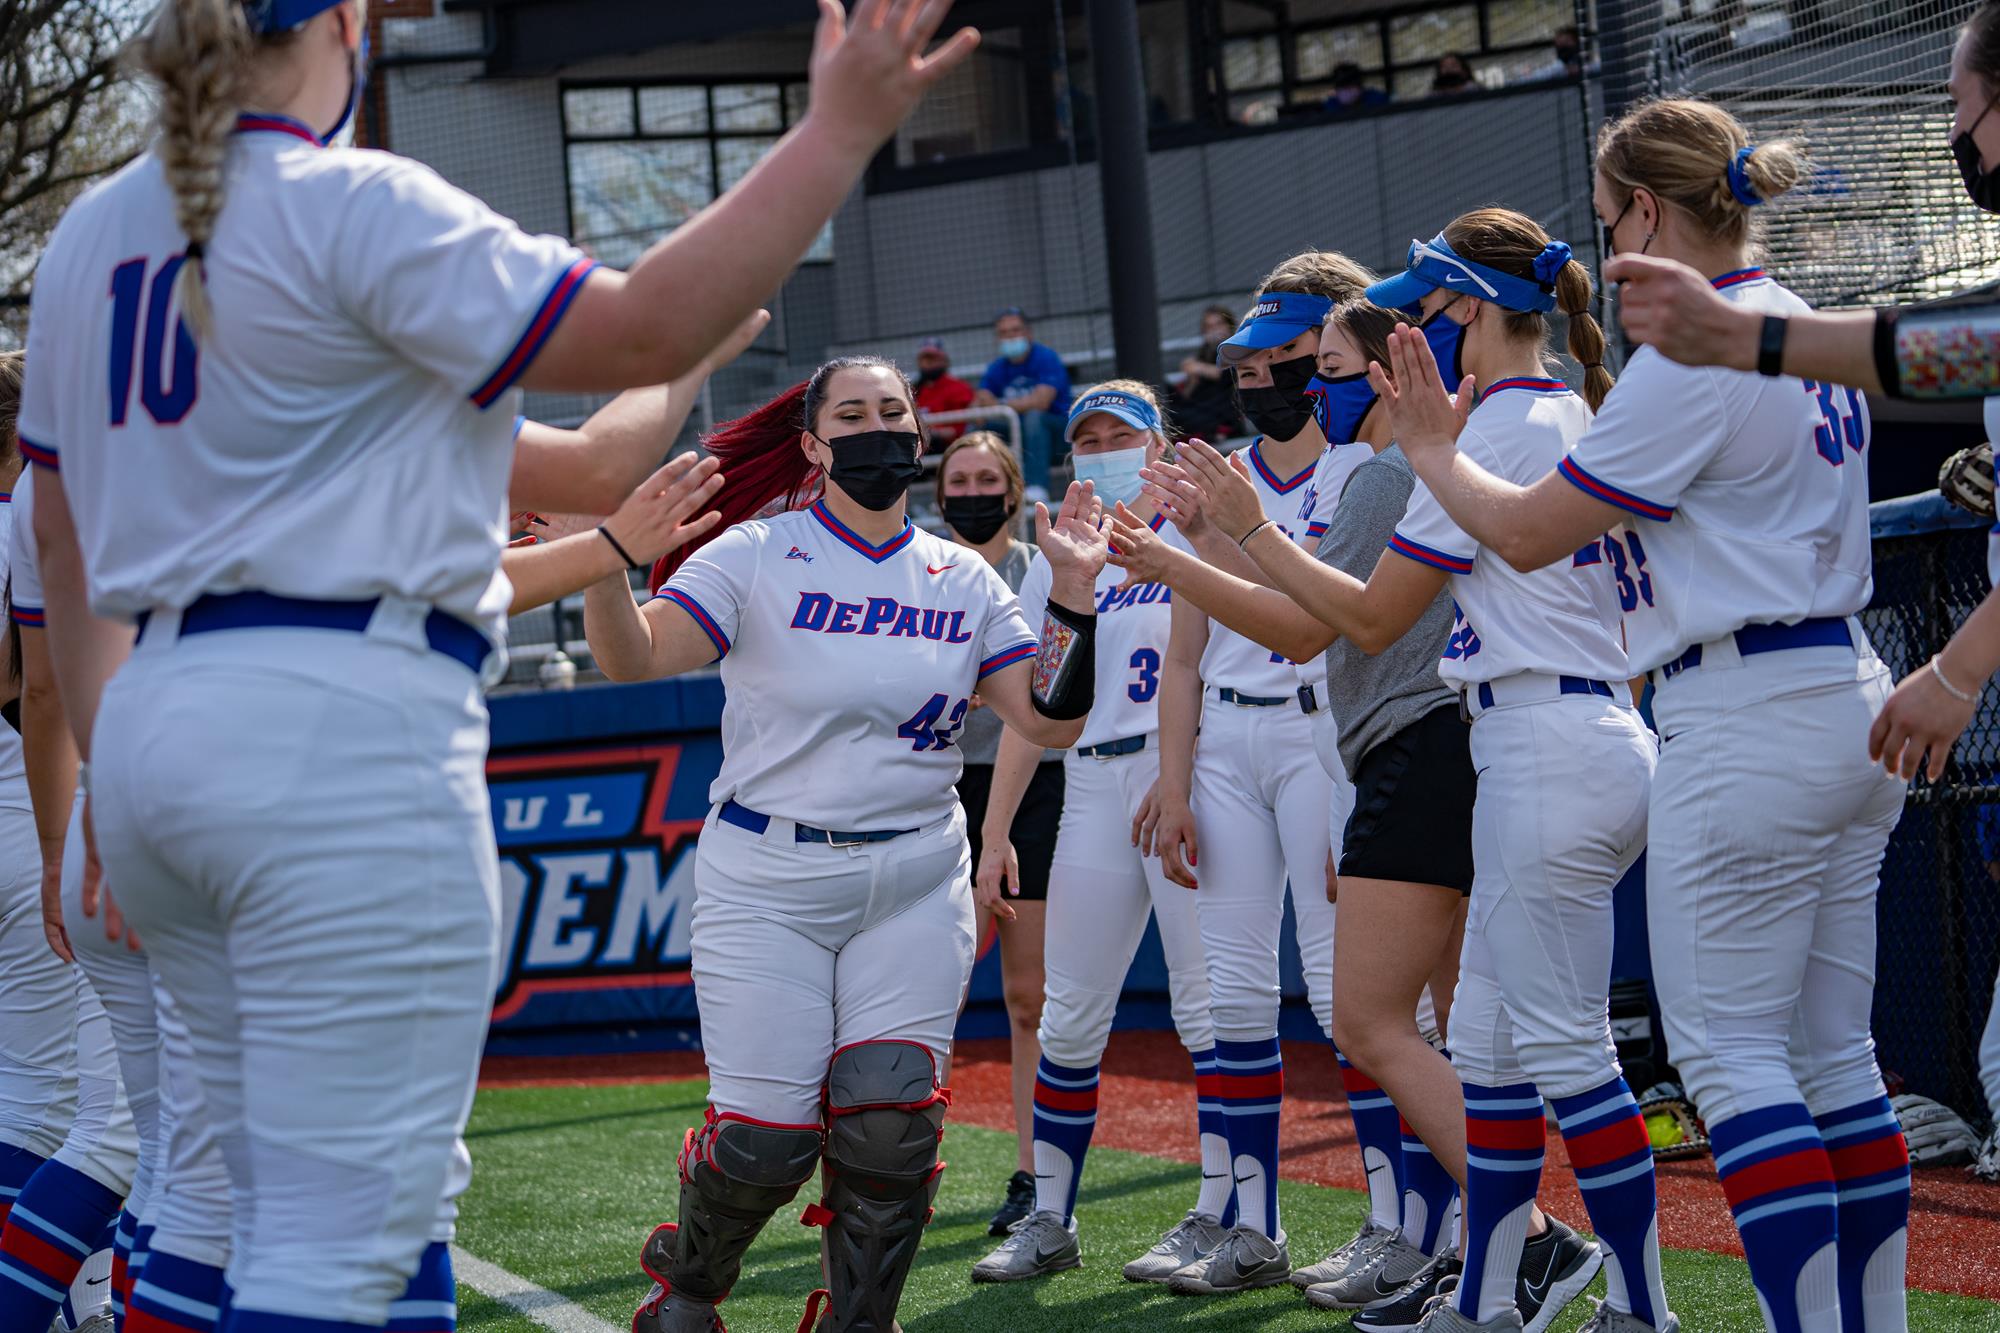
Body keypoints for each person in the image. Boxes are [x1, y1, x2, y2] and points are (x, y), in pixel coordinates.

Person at [20, 5, 981, 1333]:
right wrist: (837, 131)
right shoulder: (354, 202)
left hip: (159, 730)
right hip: (339, 729)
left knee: (206, 1209)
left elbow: (63, 544)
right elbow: (639, 341)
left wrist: (113, 790)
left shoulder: (88, 236)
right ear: (346, 23)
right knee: (350, 1246)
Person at [1376, 96, 1911, 1333]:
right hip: (1842, 686)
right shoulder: (1791, 323)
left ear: (1649, 210)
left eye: (1613, 209)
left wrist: (1425, 447)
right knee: (1832, 1057)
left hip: (1741, 706)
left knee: (1732, 1061)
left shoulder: (1698, 349)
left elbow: (1514, 532)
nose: (1610, 236)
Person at [581, 356, 1104, 1333]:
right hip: (767, 877)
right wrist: (603, 561)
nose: (876, 429)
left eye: (891, 412)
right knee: (765, 1144)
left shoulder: (964, 577)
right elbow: (633, 655)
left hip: (913, 873)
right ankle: (688, 1287)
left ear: (918, 435)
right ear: (814, 445)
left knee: (889, 1124)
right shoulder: (752, 553)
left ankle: (860, 1322)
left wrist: (1071, 595)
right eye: (850, 415)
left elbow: (1050, 719)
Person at [1113, 293, 1600, 1333]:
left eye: (1326, 364)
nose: (1312, 386)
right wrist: (1216, 537)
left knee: (1381, 1021)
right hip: (1459, 739)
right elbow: (1324, 610)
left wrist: (1186, 551)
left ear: (1387, 369)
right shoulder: (1398, 466)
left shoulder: (1385, 471)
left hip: (1420, 747)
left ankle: (1528, 1236)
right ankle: (1498, 1245)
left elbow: (1318, 627)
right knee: (1468, 1029)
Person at [1361, 210, 1672, 1333]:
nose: (1411, 332)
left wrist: (1246, 527)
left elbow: (1369, 617)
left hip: (1546, 739)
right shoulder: (1559, 407)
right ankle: (1489, 1303)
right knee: (1487, 1053)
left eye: (1427, 310)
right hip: (1555, 734)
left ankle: (1641, 1310)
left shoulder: (1499, 427)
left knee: (1565, 1052)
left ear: (1476, 311)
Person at [1135, 253, 1368, 1298]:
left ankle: (1398, 1221)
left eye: (1286, 356)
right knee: (1231, 993)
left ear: (1330, 352)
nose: (1261, 376)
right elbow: (1180, 658)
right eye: (1250, 359)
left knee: (1345, 996)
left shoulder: (1364, 461)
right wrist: (1172, 782)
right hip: (1225, 742)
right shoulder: (1221, 476)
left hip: (1323, 735)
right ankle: (1247, 1221)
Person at [967, 383, 1229, 1287]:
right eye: (1089, 436)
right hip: (1088, 780)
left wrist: (1180, 770)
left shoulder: (1201, 512)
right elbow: (1032, 705)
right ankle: (1049, 1215)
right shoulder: (1062, 548)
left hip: (1184, 776)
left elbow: (1214, 664)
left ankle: (1224, 1211)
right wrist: (996, 830)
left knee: (1207, 1013)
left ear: (1161, 439)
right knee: (1069, 1014)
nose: (1105, 447)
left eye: (1123, 433)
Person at [934, 430, 1065, 1237]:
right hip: (941, 790)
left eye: (989, 477)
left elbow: (1047, 688)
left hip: (1037, 790)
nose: (974, 489)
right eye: (960, 478)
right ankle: (896, 1166)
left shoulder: (1035, 568)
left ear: (1014, 490)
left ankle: (1032, 1174)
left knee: (1029, 998)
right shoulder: (923, 569)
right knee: (928, 991)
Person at [976, 308, 1074, 502]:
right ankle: (981, 489)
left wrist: (1001, 405)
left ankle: (1037, 486)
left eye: (1015, 330)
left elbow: (1041, 401)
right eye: (1004, 333)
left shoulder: (1046, 358)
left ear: (1028, 333)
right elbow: (981, 403)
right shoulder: (997, 367)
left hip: (1059, 437)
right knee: (981, 428)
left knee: (1034, 417)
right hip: (1020, 434)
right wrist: (1012, 405)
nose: (1010, 337)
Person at [1171, 305, 1244, 442]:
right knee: (1169, 396)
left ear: (1229, 326)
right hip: (1201, 408)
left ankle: (1216, 431)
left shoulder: (1237, 346)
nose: (1214, 330)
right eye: (1208, 326)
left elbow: (1227, 373)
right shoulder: (1204, 351)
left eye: (1218, 324)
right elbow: (1188, 394)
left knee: (1180, 417)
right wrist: (1192, 378)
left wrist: (1199, 368)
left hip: (1223, 412)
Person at [915, 337, 978, 449]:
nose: (928, 363)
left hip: (950, 447)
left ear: (944, 360)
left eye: (933, 358)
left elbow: (959, 430)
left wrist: (932, 433)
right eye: (925, 358)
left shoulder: (959, 388)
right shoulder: (914, 391)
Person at [1324, 63, 1391, 114]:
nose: (1346, 90)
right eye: (1342, 86)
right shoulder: (1331, 105)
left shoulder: (1376, 98)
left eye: (1349, 85)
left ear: (1359, 85)